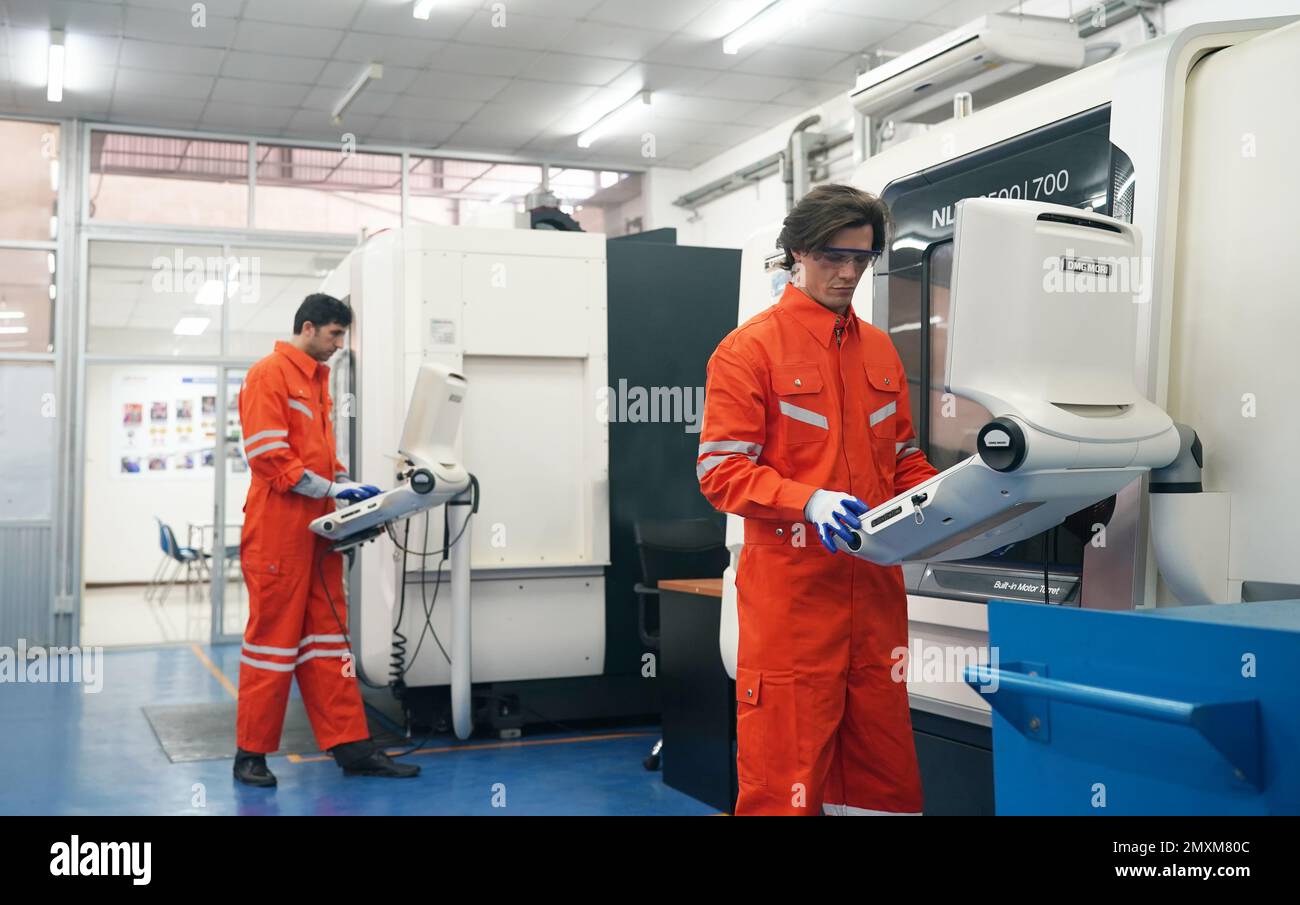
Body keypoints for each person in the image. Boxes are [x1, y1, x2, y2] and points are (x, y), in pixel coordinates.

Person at [697, 185, 939, 815]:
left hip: (876, 600)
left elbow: (902, 458)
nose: (850, 272)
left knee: (883, 780)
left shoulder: (881, 349)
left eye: (863, 259)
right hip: (795, 608)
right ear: (798, 252)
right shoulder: (748, 350)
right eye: (835, 256)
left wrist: (946, 499)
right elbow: (721, 473)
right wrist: (807, 502)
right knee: (786, 780)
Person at [233, 293, 418, 787]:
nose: (339, 345)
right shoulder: (268, 374)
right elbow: (270, 457)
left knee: (328, 646)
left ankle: (352, 748)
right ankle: (250, 754)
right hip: (277, 536)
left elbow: (318, 459)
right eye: (335, 335)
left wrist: (353, 496)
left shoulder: (318, 381)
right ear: (309, 327)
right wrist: (335, 489)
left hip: (316, 536)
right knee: (271, 647)